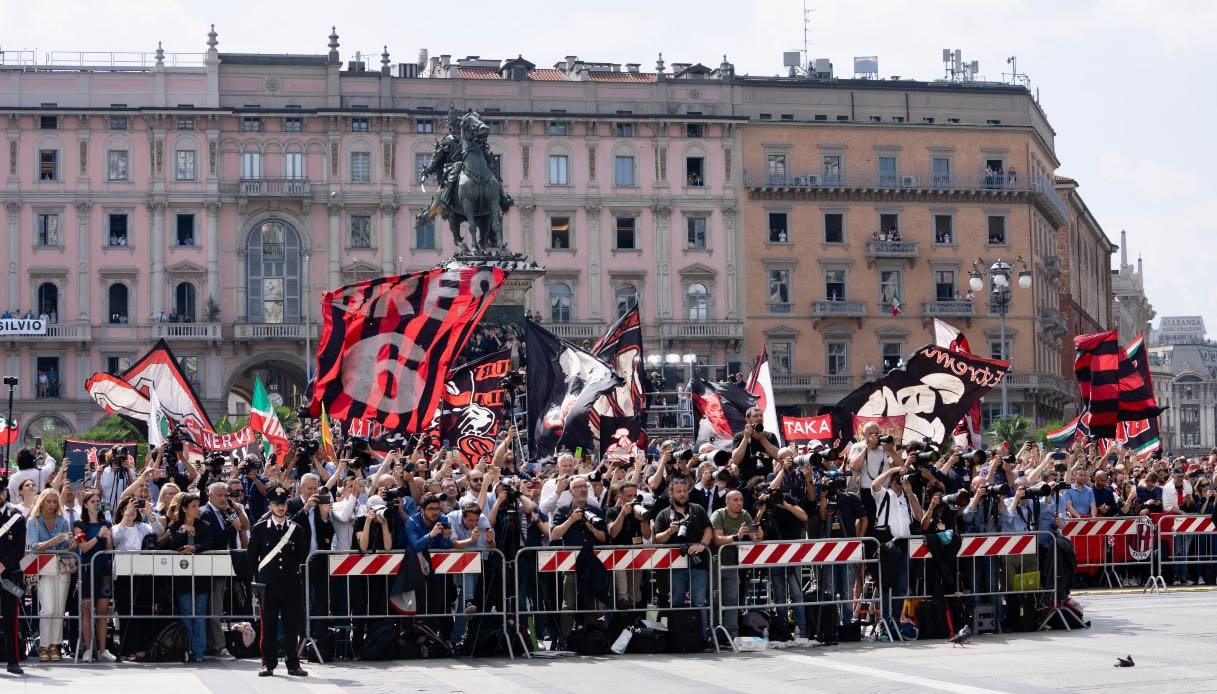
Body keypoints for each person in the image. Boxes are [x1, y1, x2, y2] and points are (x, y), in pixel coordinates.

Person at [248, 486, 309, 677]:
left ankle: (293, 663)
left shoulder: (296, 530)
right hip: (269, 585)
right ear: (270, 506)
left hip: (290, 584)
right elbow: (252, 558)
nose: (281, 507)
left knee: (292, 625)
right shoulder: (260, 529)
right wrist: (259, 580)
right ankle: (268, 663)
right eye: (276, 504)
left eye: (283, 504)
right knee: (269, 626)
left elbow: (302, 554)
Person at [26, 488, 77, 662]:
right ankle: (44, 646)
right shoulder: (33, 521)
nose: (52, 505)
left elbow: (63, 547)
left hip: (62, 567)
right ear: (41, 502)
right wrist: (53, 542)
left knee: (59, 609)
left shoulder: (63, 521)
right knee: (47, 608)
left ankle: (56, 646)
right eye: (49, 501)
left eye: (55, 502)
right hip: (43, 568)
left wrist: (70, 544)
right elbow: (34, 546)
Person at [166, 492, 214, 662]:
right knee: (186, 612)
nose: (197, 509)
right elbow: (172, 544)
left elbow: (210, 543)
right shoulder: (175, 525)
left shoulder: (205, 525)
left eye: (198, 505)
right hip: (182, 576)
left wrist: (195, 548)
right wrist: (182, 530)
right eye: (193, 506)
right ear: (185, 509)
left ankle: (199, 651)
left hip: (200, 575)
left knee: (200, 613)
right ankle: (187, 648)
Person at [711, 490, 762, 639]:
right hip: (715, 563)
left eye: (741, 499)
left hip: (732, 565)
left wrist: (758, 531)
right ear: (727, 502)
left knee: (732, 600)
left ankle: (732, 635)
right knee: (714, 600)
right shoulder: (718, 514)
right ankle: (714, 633)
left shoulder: (745, 514)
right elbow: (717, 539)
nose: (739, 502)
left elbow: (755, 537)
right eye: (735, 500)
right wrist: (736, 536)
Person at [75, 491, 116, 662]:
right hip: (86, 569)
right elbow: (83, 548)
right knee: (86, 610)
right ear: (85, 504)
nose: (96, 504)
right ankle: (87, 648)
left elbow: (109, 549)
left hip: (103, 569)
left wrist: (107, 537)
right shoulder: (79, 524)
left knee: (103, 611)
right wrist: (97, 536)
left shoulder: (105, 523)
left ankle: (102, 649)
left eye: (98, 501)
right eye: (93, 501)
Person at [0, 481, 26, 675]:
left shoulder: (16, 515)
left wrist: (3, 564)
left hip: (9, 574)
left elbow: (19, 547)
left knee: (11, 618)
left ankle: (13, 660)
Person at [731, 407, 781, 482]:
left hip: (766, 481)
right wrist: (745, 438)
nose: (759, 418)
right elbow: (736, 460)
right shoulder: (739, 436)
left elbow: (778, 456)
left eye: (761, 415)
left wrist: (762, 438)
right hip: (745, 482)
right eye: (755, 416)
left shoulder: (770, 436)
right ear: (747, 419)